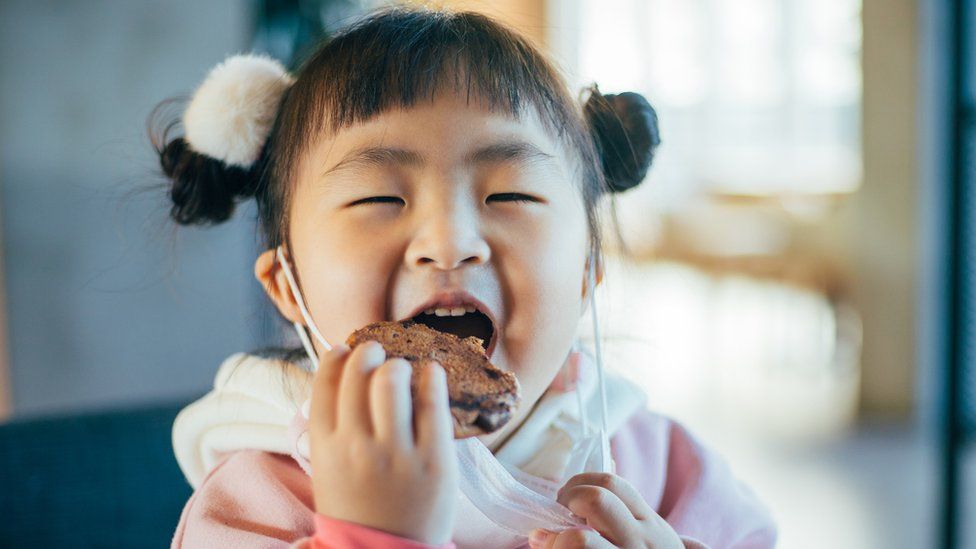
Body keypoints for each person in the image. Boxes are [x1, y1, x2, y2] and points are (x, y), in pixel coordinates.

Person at [154, 6, 777, 548]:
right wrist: (371, 538)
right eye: (378, 198)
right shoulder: (252, 504)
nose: (450, 242)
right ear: (290, 286)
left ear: (587, 272)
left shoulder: (662, 468)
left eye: (510, 194)